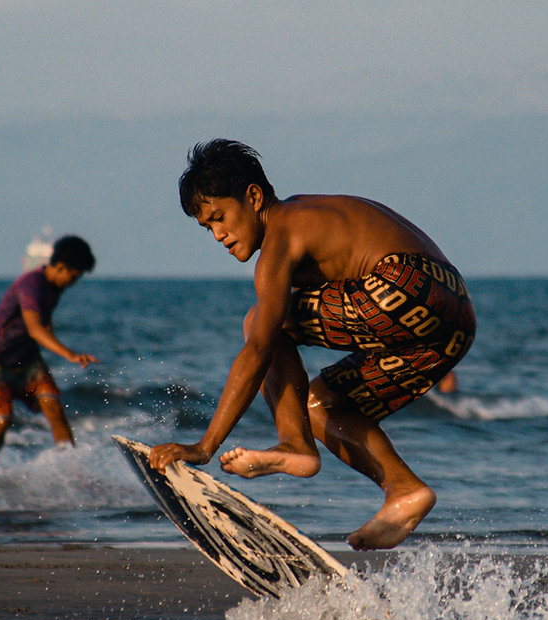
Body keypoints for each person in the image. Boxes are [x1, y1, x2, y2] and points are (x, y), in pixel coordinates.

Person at [149, 139, 476, 550]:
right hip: (454, 316)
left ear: (252, 197)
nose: (217, 234)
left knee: (260, 322)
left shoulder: (284, 232)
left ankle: (295, 444)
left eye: (220, 217)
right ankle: (404, 489)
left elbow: (258, 352)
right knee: (323, 405)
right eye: (206, 227)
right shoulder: (312, 214)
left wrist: (204, 446)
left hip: (405, 285)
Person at [0, 235, 98, 477]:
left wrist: (56, 342)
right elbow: (35, 328)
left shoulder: (55, 287)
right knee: (2, 420)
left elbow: (45, 322)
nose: (72, 283)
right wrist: (69, 354)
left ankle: (72, 472)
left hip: (27, 357)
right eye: (73, 277)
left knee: (54, 408)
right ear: (60, 267)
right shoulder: (31, 284)